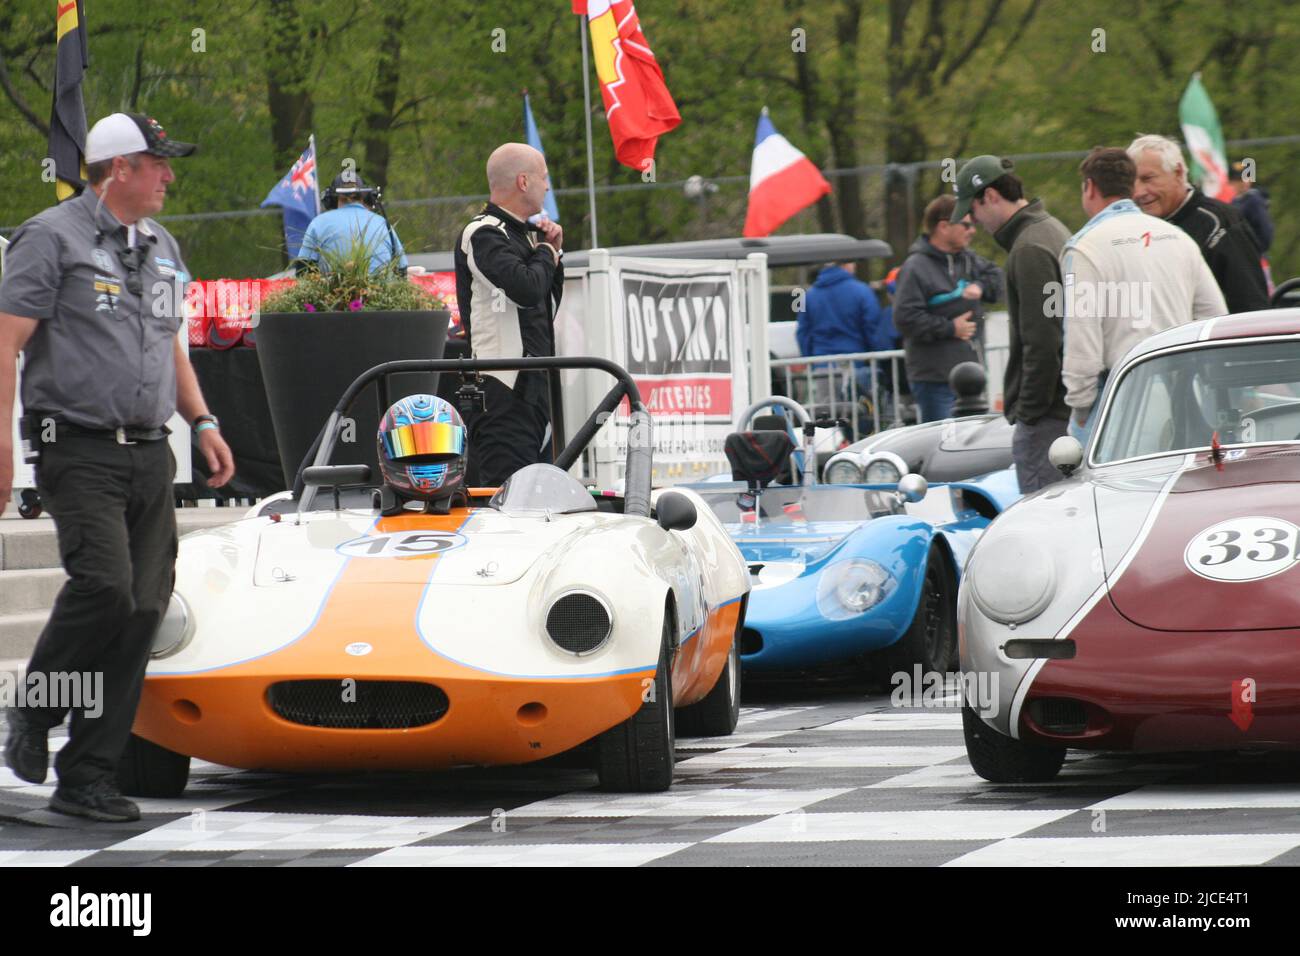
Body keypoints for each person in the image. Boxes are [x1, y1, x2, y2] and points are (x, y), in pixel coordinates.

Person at [0, 112, 235, 822]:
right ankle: (36, 712)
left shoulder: (161, 246)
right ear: (121, 168)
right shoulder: (50, 237)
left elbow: (170, 348)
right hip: (76, 446)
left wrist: (203, 421)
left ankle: (89, 772)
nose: (169, 175)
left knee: (142, 607)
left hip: (148, 451)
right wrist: (1, 447)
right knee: (104, 586)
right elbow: (6, 342)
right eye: (158, 163)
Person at [1060, 148, 1227, 444]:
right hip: (1185, 393)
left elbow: (1082, 342)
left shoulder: (1085, 248)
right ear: (1131, 186)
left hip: (1122, 402)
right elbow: (1214, 317)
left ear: (1090, 187)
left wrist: (1081, 408)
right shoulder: (1178, 238)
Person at [952, 154, 1071, 493]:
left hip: (1049, 415)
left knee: (1044, 518)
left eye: (972, 211)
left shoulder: (1029, 247)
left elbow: (1044, 342)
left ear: (990, 197)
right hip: (1063, 407)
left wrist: (1030, 412)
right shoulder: (1051, 230)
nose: (974, 223)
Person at [453, 143, 564, 487]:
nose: (548, 186)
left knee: (542, 499)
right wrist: (547, 252)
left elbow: (547, 306)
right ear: (523, 181)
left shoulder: (524, 236)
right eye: (543, 178)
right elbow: (525, 288)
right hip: (501, 391)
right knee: (507, 500)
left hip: (536, 389)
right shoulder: (483, 232)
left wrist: (553, 255)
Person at [1127, 134, 1269, 314]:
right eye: (1132, 182)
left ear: (1178, 173)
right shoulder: (1133, 229)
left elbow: (1251, 306)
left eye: (1148, 179)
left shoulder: (1220, 224)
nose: (1138, 192)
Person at [892, 194, 1003, 422]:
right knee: (942, 443)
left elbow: (997, 279)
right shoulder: (915, 267)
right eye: (966, 225)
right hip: (935, 380)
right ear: (943, 226)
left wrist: (981, 286)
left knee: (973, 441)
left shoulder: (968, 260)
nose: (972, 230)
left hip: (972, 377)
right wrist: (950, 328)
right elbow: (905, 318)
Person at [797, 260, 892, 426]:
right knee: (860, 413)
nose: (855, 266)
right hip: (856, 363)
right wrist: (876, 355)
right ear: (845, 265)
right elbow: (871, 327)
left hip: (822, 365)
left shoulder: (806, 295)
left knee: (826, 415)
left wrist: (810, 361)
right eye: (852, 262)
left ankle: (831, 447)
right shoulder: (862, 291)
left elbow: (802, 332)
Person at [299, 170, 407, 274]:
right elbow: (402, 270)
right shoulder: (383, 223)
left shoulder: (318, 223)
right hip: (381, 291)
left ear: (330, 200)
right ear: (366, 197)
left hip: (333, 292)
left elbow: (302, 270)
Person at [1229, 160, 1274, 293]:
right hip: (1243, 260)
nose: (1244, 182)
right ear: (1232, 182)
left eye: (1246, 177)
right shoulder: (1234, 202)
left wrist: (1255, 252)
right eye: (1239, 179)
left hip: (1256, 259)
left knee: (1263, 294)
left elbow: (1266, 232)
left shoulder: (1254, 200)